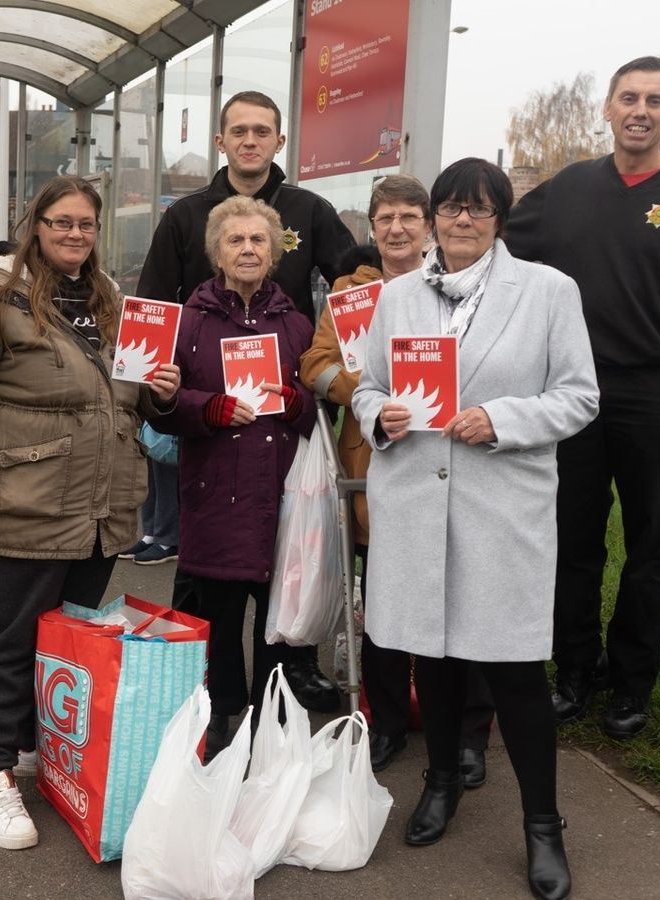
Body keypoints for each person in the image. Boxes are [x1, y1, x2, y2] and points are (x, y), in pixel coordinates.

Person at [351, 158, 598, 900]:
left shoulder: (548, 291)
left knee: (515, 671)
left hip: (501, 508)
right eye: (451, 207)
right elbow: (367, 386)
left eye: (479, 208)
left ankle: (543, 824)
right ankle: (441, 783)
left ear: (500, 219)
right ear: (433, 217)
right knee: (435, 658)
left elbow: (579, 396)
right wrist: (380, 415)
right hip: (416, 505)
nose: (463, 220)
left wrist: (502, 418)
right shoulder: (398, 296)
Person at [0, 176, 179, 850]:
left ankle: (27, 749)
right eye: (61, 222)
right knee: (10, 642)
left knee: (65, 641)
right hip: (26, 500)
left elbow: (127, 397)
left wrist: (161, 392)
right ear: (35, 226)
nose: (75, 234)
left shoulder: (111, 300)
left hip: (100, 507)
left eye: (86, 224)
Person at [138, 89, 355, 712]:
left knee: (285, 589)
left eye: (263, 130)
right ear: (221, 140)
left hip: (281, 455)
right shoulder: (185, 219)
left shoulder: (309, 216)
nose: (251, 140)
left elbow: (351, 283)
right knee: (210, 599)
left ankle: (284, 693)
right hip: (213, 460)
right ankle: (209, 705)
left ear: (279, 141)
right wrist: (169, 391)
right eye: (239, 130)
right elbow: (152, 311)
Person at [508, 56, 660, 740]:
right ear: (608, 108)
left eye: (655, 100)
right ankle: (574, 671)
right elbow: (497, 247)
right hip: (573, 392)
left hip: (656, 392)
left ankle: (631, 683)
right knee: (571, 539)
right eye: (628, 98)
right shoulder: (568, 189)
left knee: (651, 545)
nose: (639, 110)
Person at [300, 174, 495, 779]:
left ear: (428, 224)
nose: (397, 229)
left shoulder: (456, 285)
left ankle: (469, 733)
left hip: (455, 464)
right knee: (381, 605)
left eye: (409, 217)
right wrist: (373, 392)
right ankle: (384, 722)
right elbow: (314, 365)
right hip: (375, 466)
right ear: (372, 227)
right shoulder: (349, 292)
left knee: (464, 600)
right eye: (385, 218)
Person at [149, 195, 316, 758]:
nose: (247, 249)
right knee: (217, 621)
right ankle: (221, 717)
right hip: (216, 495)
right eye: (235, 239)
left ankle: (270, 726)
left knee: (276, 623)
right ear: (216, 252)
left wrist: (295, 402)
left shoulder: (296, 325)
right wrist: (207, 407)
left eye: (258, 239)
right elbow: (157, 405)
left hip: (280, 498)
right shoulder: (188, 322)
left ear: (273, 252)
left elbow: (320, 410)